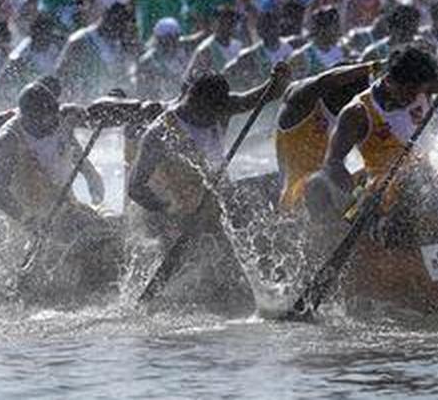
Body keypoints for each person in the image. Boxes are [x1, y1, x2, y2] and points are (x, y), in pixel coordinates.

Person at [127, 66, 290, 303]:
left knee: (267, 191)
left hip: (213, 207)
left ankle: (269, 288)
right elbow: (136, 188)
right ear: (193, 99)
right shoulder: (161, 133)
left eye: (220, 109)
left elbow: (261, 97)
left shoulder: (221, 107)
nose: (216, 116)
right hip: (175, 215)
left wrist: (277, 81)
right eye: (210, 110)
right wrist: (170, 212)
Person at [0, 82, 115, 292]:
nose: (53, 122)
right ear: (28, 117)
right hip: (29, 215)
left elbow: (74, 150)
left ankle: (91, 288)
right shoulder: (9, 139)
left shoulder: (59, 122)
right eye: (45, 119)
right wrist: (26, 219)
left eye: (54, 115)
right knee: (42, 281)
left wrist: (91, 176)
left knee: (106, 238)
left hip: (65, 206)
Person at [311, 48, 438, 237]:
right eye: (409, 92)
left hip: (426, 180)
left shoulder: (423, 88)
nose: (414, 99)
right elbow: (333, 162)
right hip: (383, 187)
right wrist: (356, 194)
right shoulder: (357, 112)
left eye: (419, 92)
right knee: (414, 177)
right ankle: (381, 227)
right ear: (389, 81)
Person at [275, 61, 376, 211]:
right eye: (358, 96)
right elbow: (323, 81)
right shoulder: (301, 104)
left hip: (333, 194)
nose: (360, 104)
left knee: (386, 172)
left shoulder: (353, 118)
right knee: (319, 182)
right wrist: (371, 67)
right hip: (298, 198)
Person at [54, 3, 139, 102]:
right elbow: (61, 72)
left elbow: (123, 79)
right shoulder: (81, 39)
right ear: (105, 18)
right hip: (83, 101)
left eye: (123, 26)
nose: (120, 30)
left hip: (108, 103)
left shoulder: (118, 45)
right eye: (116, 22)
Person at [222, 9, 293, 89]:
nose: (270, 31)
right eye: (266, 28)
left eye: (273, 26)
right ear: (259, 31)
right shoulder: (251, 54)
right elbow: (227, 71)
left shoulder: (290, 49)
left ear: (279, 28)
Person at [135, 18, 191, 101]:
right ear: (159, 39)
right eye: (167, 39)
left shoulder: (187, 54)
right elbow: (142, 90)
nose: (170, 43)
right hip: (158, 103)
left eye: (173, 38)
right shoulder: (148, 60)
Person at [184, 7, 245, 81]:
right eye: (222, 23)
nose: (226, 26)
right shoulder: (205, 49)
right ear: (215, 23)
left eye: (230, 23)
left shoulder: (238, 45)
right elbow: (189, 77)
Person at [291, 7, 345, 77]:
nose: (339, 32)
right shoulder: (302, 56)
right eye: (335, 27)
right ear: (322, 29)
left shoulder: (341, 52)